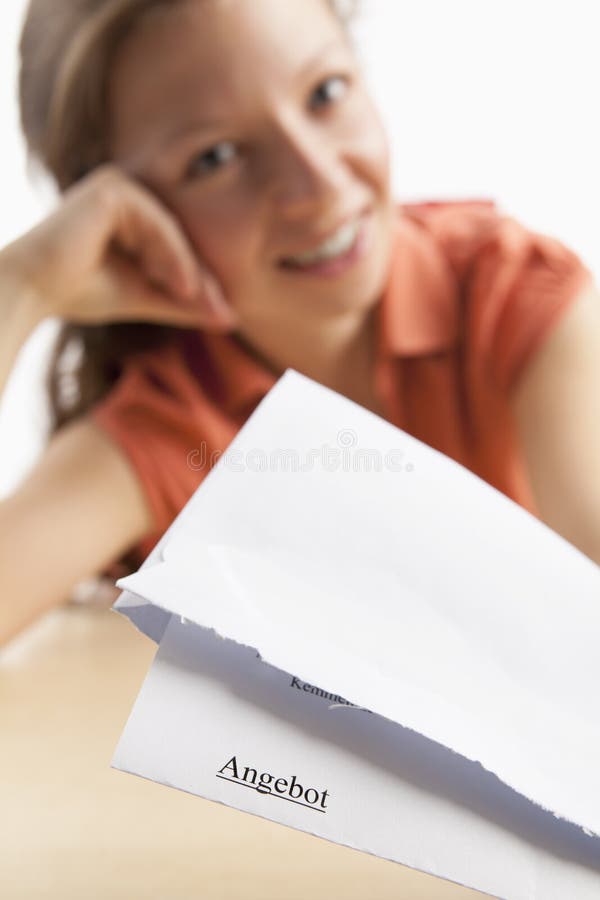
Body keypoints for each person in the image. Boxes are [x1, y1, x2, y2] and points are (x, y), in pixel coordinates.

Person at [1, 0, 599, 648]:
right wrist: (25, 282)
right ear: (130, 220)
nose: (317, 181)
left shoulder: (512, 296)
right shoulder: (175, 423)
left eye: (325, 93)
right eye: (217, 157)